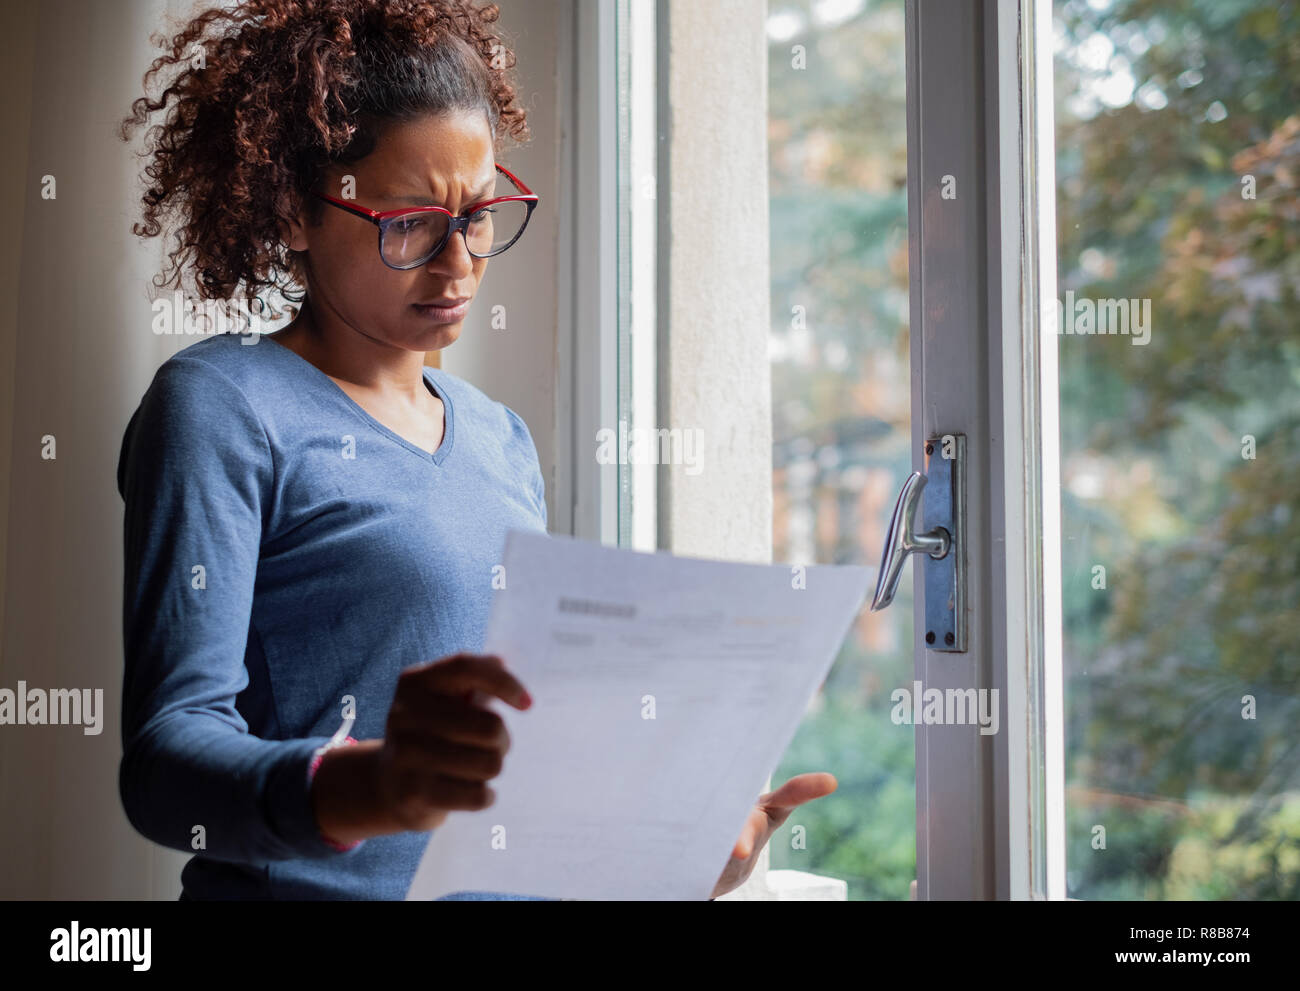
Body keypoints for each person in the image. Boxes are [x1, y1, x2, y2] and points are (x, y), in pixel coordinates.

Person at [116, 0, 835, 901]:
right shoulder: (222, 406)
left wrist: (669, 848)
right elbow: (163, 765)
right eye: (411, 222)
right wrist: (370, 787)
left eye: (481, 212)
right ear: (295, 212)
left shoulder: (500, 438)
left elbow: (515, 785)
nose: (458, 265)